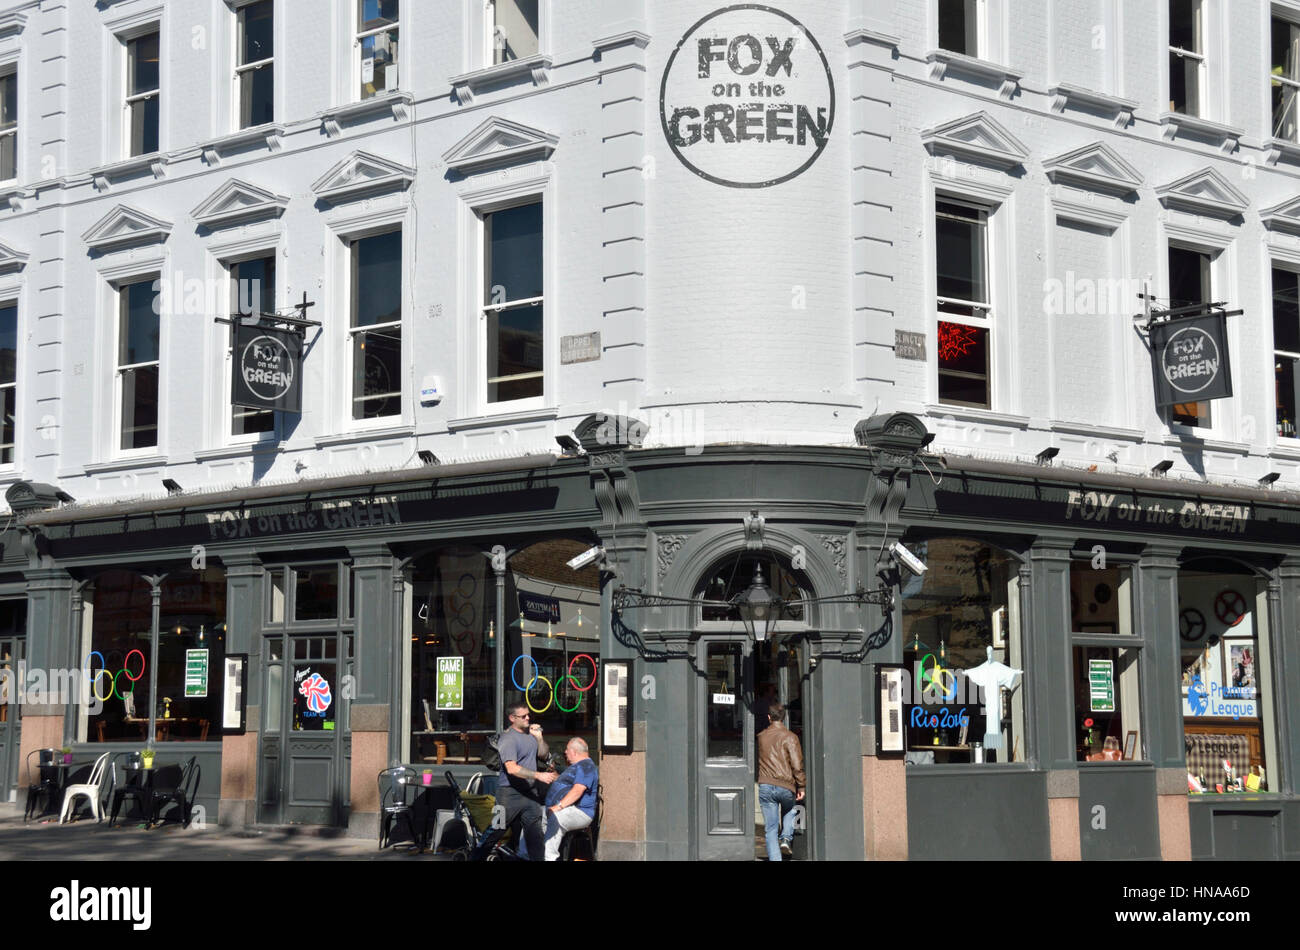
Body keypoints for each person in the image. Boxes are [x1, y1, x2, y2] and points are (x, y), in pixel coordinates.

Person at [496, 703, 553, 861]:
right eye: (523, 716)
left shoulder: (530, 736)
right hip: (508, 794)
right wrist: (538, 776)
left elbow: (543, 754)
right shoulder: (508, 738)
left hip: (530, 794)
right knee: (495, 831)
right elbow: (512, 768)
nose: (528, 718)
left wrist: (539, 738)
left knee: (535, 837)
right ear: (512, 718)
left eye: (528, 715)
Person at [756, 702, 804, 861]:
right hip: (786, 785)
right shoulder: (790, 737)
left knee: (770, 829)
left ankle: (776, 857)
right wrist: (801, 785)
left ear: (769, 717)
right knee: (791, 809)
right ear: (784, 718)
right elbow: (797, 764)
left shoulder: (761, 737)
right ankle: (785, 838)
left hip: (766, 785)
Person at [541, 737, 599, 861]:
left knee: (557, 817)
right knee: (531, 815)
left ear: (574, 752)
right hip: (564, 808)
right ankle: (526, 855)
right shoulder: (577, 766)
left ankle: (549, 858)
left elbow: (578, 790)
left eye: (567, 750)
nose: (565, 752)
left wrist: (558, 806)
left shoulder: (586, 766)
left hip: (580, 811)